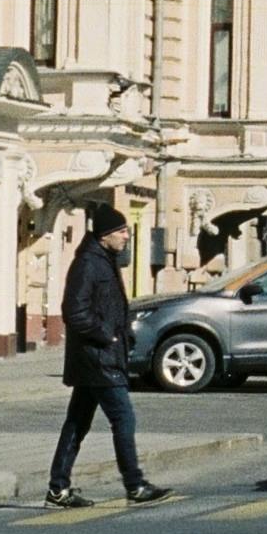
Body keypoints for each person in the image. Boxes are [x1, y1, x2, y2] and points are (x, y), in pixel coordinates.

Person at [48, 203, 175, 508]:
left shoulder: (104, 260)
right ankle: (134, 485)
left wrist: (123, 334)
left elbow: (107, 307)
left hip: (100, 355)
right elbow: (74, 312)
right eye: (121, 231)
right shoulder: (89, 264)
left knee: (77, 423)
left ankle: (58, 489)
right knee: (123, 418)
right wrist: (107, 336)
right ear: (105, 235)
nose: (126, 237)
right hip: (97, 357)